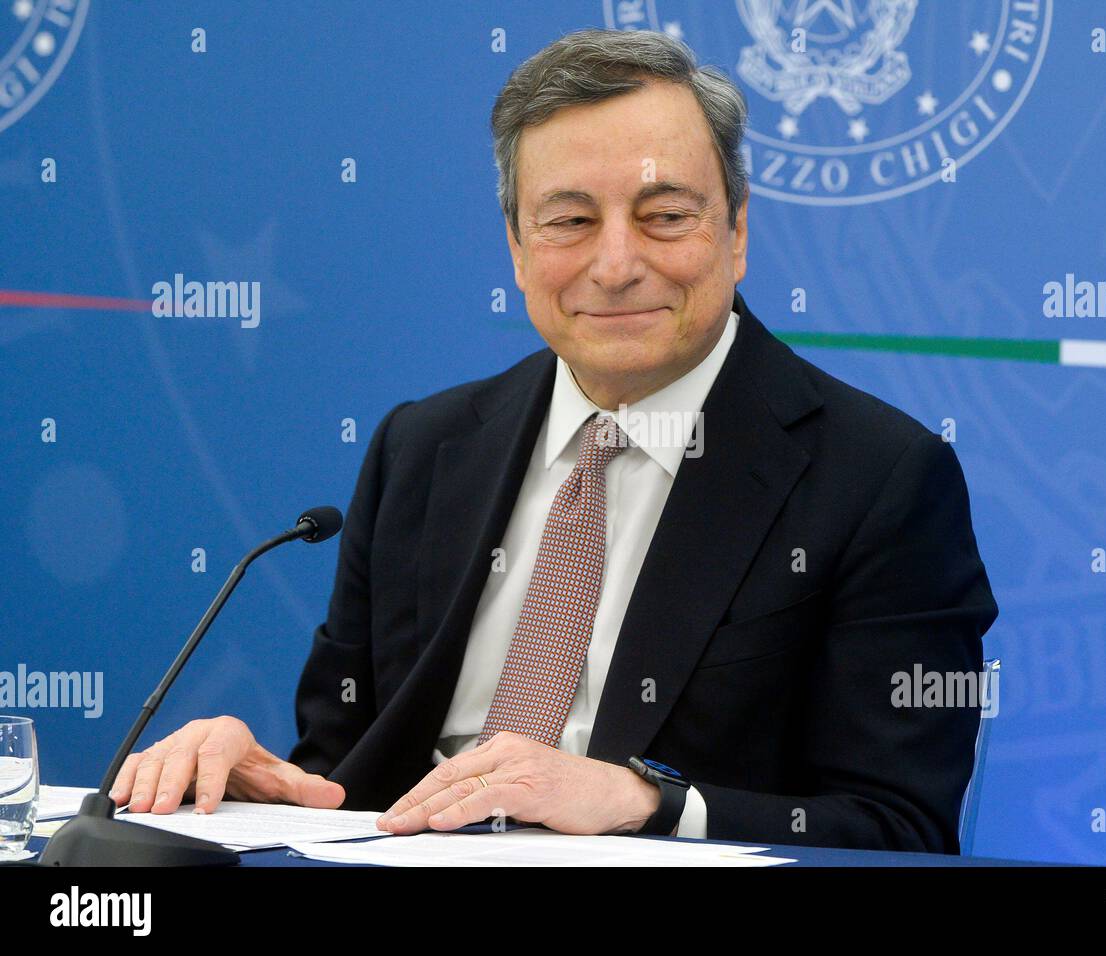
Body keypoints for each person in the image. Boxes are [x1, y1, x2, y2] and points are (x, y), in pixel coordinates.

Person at [110, 28, 997, 852]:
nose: (615, 264)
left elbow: (900, 826)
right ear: (518, 248)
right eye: (570, 221)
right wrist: (259, 786)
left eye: (664, 215)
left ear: (736, 231)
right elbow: (349, 778)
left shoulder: (879, 477)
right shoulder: (419, 449)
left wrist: (649, 801)